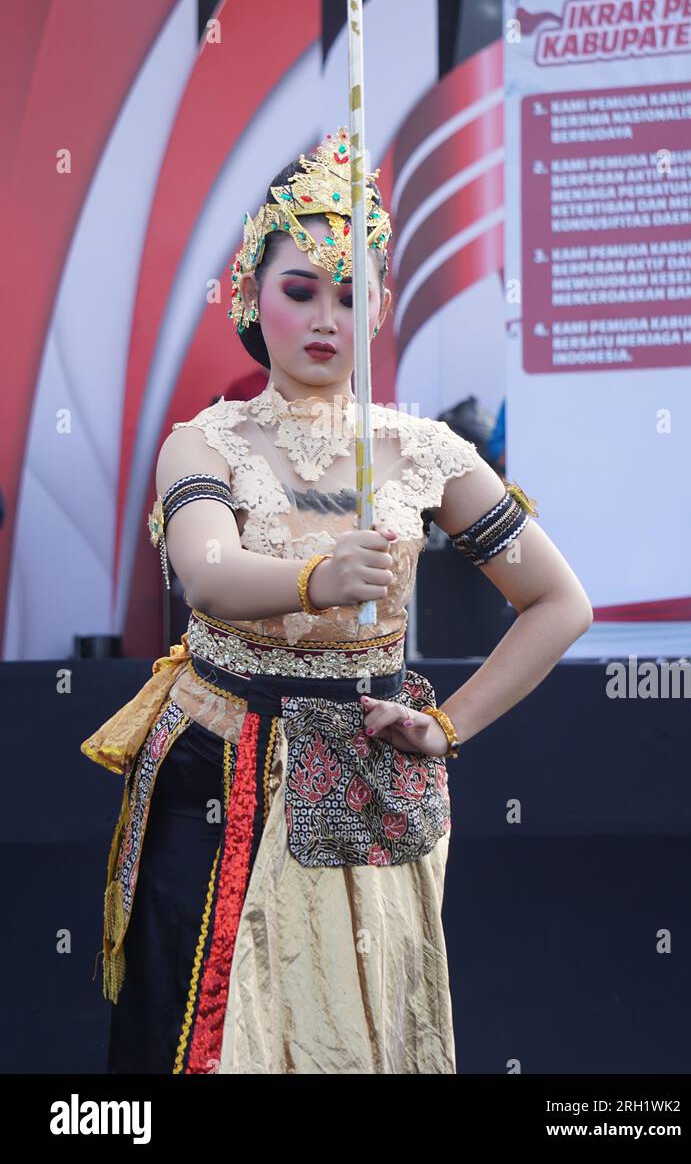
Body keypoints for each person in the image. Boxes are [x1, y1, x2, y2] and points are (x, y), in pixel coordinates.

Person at [82, 125, 592, 1075]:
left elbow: (558, 602)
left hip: (362, 773)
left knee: (362, 1036)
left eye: (351, 297)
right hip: (218, 765)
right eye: (300, 290)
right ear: (250, 293)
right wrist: (316, 578)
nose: (326, 317)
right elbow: (208, 573)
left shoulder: (426, 452)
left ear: (381, 310)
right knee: (196, 1033)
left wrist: (450, 727)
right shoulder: (206, 441)